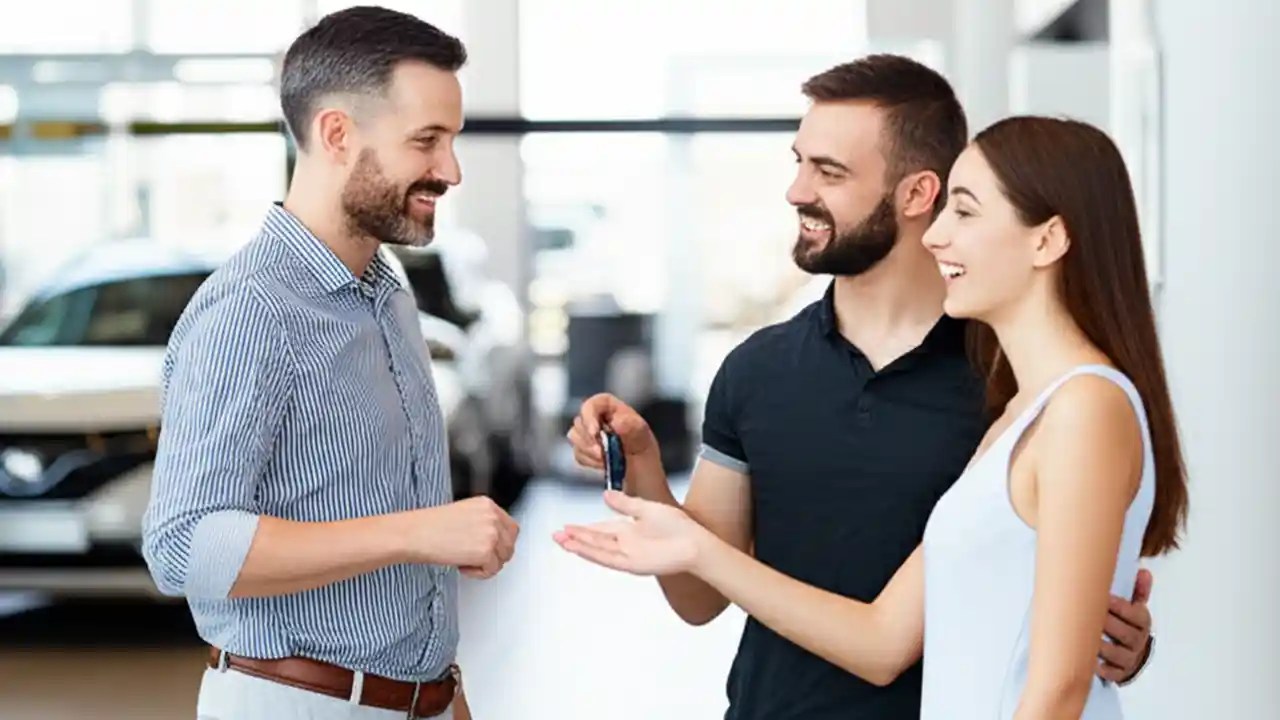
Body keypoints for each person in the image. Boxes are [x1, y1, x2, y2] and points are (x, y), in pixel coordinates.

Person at [560, 56, 1161, 719]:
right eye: (799, 162)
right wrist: (649, 476)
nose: (795, 191)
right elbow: (863, 635)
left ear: (915, 193)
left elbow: (1054, 679)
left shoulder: (1029, 390)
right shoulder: (760, 371)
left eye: (829, 171)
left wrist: (1105, 645)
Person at [141, 7, 519, 719]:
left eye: (453, 140)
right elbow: (183, 544)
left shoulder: (387, 295)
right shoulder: (252, 311)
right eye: (427, 141)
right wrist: (417, 532)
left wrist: (438, 696)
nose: (452, 170)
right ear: (337, 134)